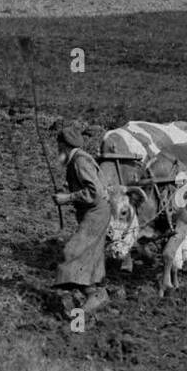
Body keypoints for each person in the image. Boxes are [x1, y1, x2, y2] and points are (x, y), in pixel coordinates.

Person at [51, 126, 110, 316]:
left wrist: (67, 198)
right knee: (90, 254)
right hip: (96, 212)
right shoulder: (78, 160)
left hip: (96, 212)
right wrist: (68, 191)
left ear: (64, 146)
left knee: (72, 251)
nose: (58, 151)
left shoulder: (79, 161)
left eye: (59, 147)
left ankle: (77, 298)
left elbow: (94, 192)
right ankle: (93, 294)